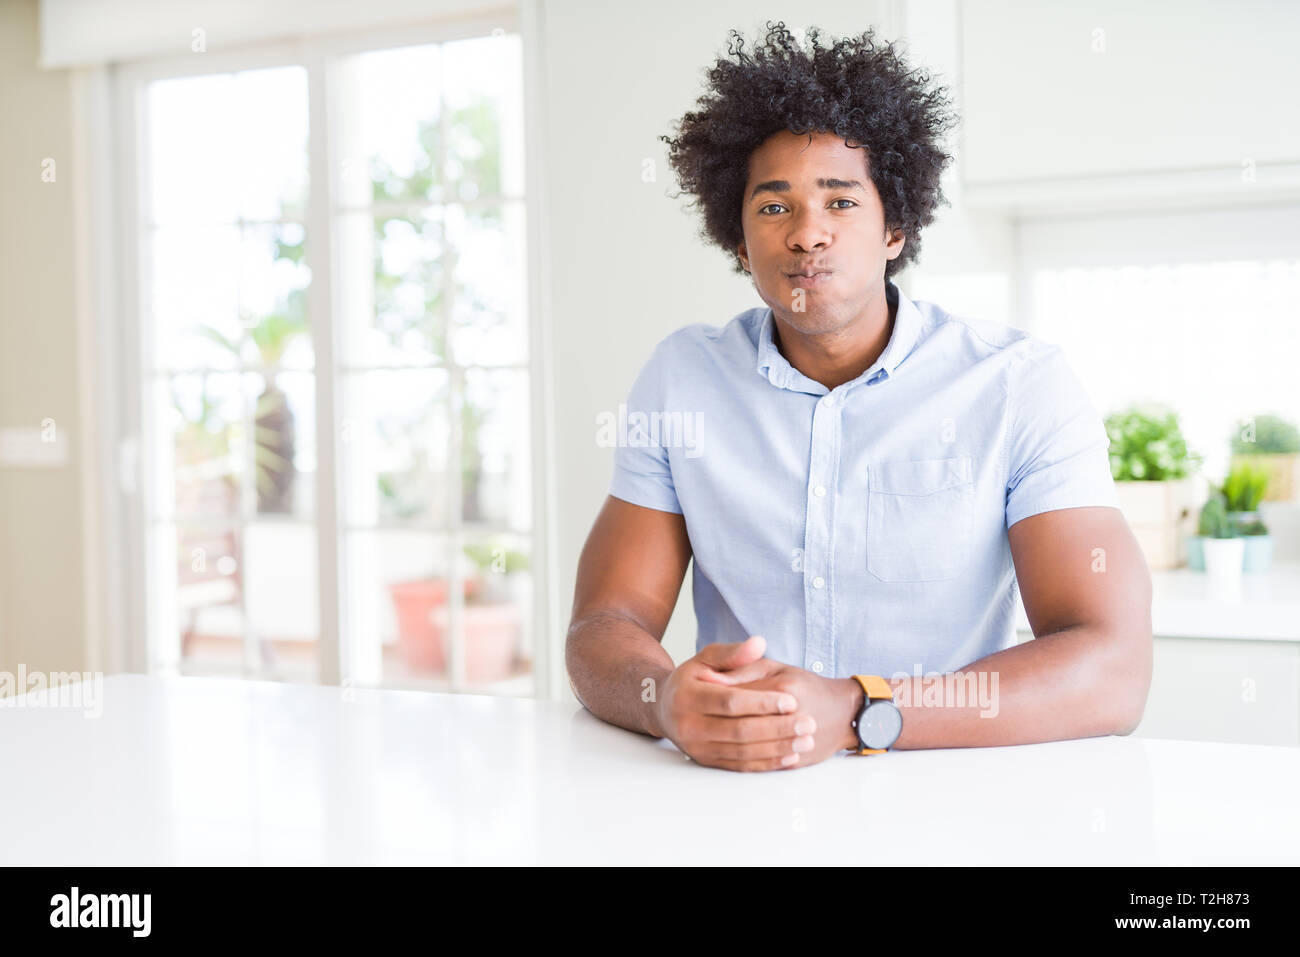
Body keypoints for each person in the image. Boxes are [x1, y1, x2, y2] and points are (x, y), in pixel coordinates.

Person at [566, 21, 1152, 772]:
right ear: (738, 241)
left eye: (840, 202)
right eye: (773, 207)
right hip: (738, 796)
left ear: (894, 229)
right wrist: (664, 701)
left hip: (950, 793)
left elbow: (1113, 669)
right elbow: (603, 623)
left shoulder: (1017, 386)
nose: (807, 235)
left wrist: (855, 709)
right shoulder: (683, 379)